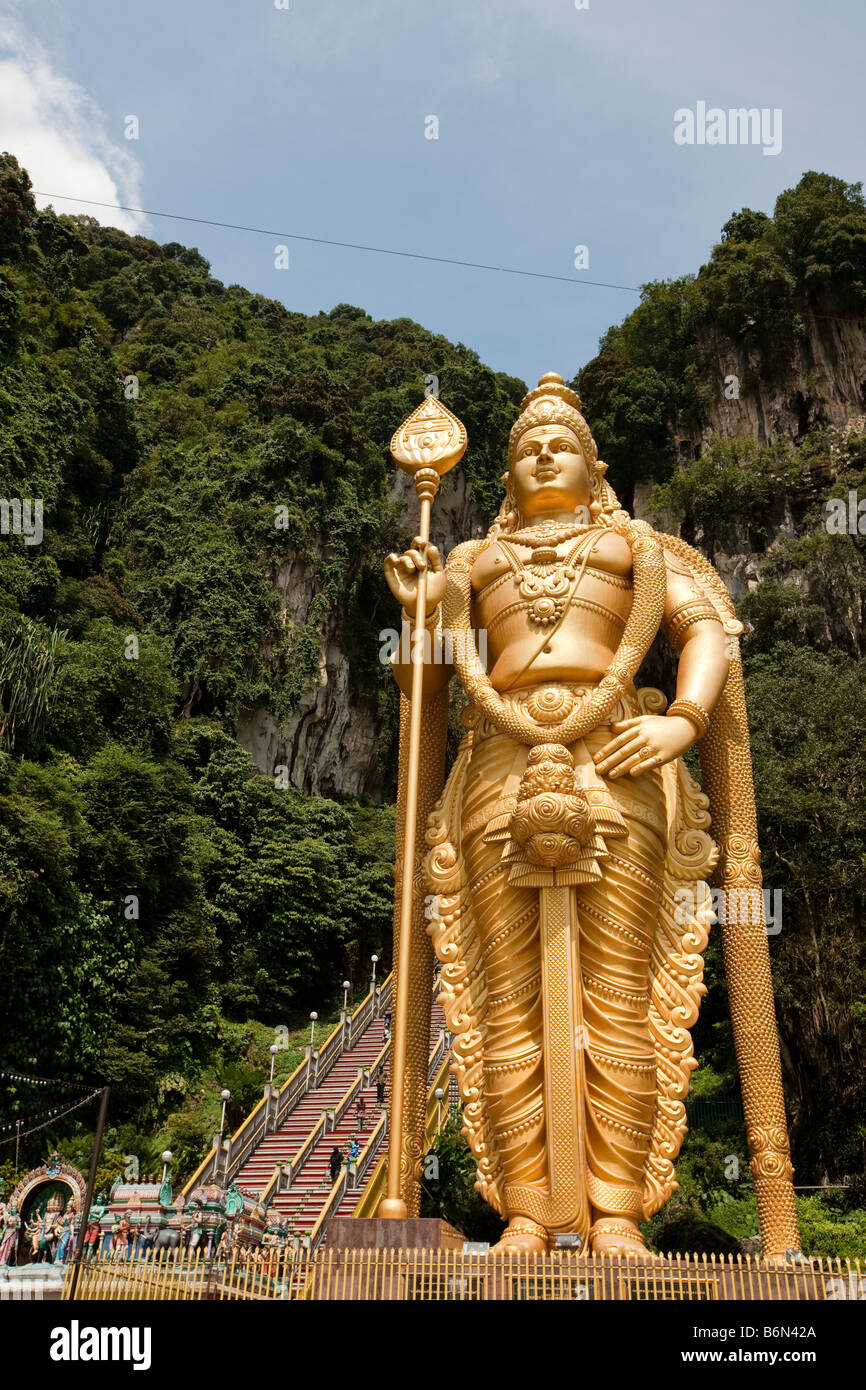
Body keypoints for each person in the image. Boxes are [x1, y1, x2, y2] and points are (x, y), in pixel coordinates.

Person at [383, 373, 799, 1259]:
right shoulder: (468, 564)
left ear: (595, 464)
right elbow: (431, 682)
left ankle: (615, 1211)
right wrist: (419, 613)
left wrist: (681, 718)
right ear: (502, 477)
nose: (541, 451)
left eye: (560, 441)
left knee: (616, 998)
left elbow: (707, 632)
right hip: (497, 766)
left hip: (618, 760)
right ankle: (528, 1210)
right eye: (525, 445)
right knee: (506, 1004)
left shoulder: (636, 547)